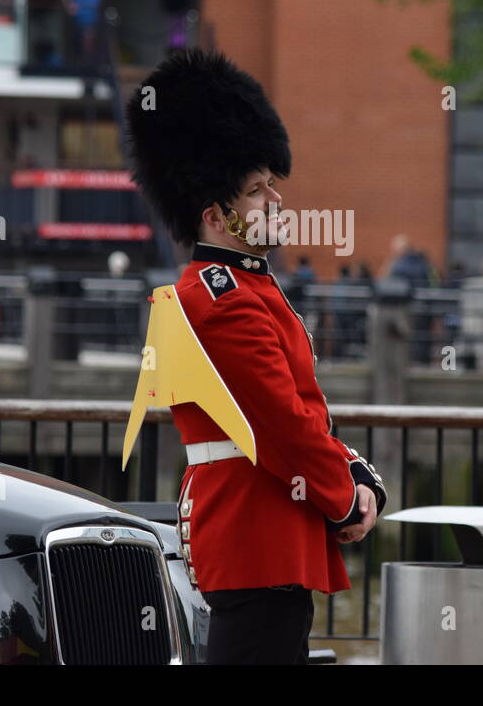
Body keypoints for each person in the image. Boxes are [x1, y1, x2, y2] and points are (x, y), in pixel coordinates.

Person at [123, 48, 388, 664]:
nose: (275, 199)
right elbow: (274, 420)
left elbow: (294, 410)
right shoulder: (219, 298)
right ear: (216, 215)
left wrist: (351, 468)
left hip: (270, 525)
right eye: (256, 190)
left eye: (273, 183)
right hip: (255, 529)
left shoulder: (248, 287)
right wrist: (342, 495)